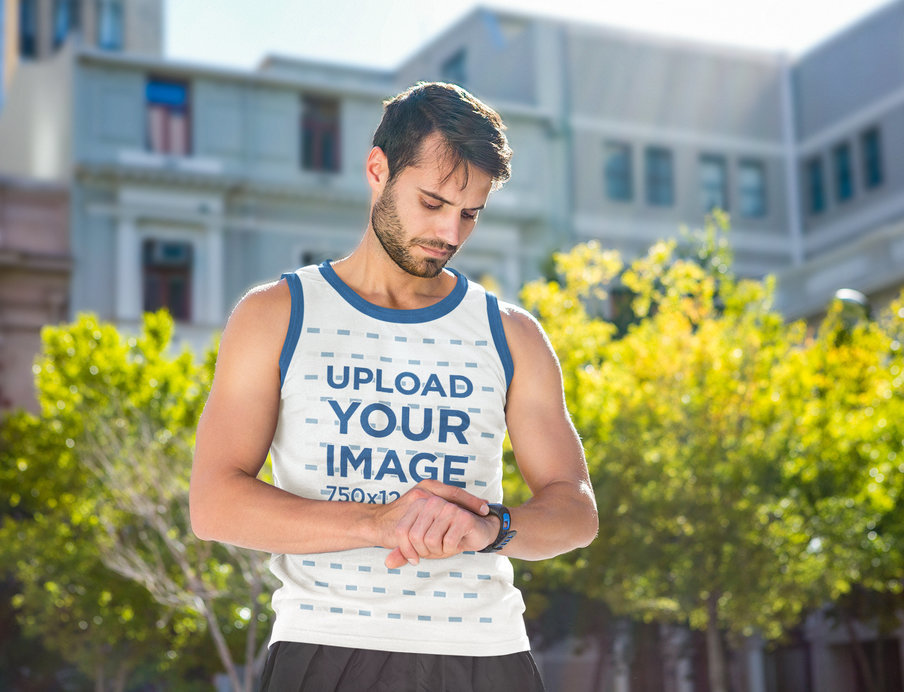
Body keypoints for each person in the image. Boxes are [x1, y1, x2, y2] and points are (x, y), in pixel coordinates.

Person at [190, 81, 598, 692]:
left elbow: (576, 511)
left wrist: (492, 529)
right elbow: (213, 505)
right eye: (432, 202)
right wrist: (379, 523)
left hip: (485, 653)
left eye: (469, 213)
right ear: (378, 170)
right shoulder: (275, 314)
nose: (450, 232)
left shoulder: (511, 334)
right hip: (325, 649)